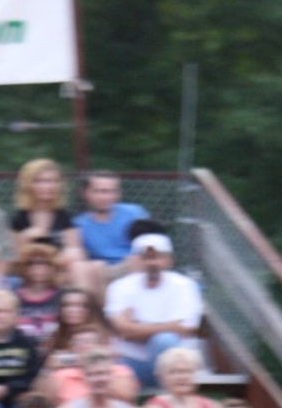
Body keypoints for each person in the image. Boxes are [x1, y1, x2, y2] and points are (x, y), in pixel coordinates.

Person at [104, 234, 203, 388]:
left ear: (169, 260)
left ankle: (169, 401)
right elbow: (121, 331)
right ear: (136, 261)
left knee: (165, 340)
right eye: (145, 258)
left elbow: (187, 329)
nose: (152, 263)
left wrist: (134, 328)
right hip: (131, 362)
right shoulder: (119, 287)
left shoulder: (184, 286)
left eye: (157, 257)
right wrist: (171, 326)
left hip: (175, 364)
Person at [72, 170, 151, 287]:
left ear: (118, 194)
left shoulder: (135, 213)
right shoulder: (78, 225)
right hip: (101, 273)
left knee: (138, 259)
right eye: (98, 191)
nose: (104, 197)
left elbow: (150, 245)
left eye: (110, 192)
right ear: (85, 193)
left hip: (133, 267)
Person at [11, 158, 83, 262]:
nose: (47, 186)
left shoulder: (65, 216)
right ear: (28, 185)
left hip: (59, 270)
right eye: (39, 181)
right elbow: (10, 256)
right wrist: (25, 237)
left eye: (52, 181)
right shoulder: (18, 218)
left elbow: (76, 250)